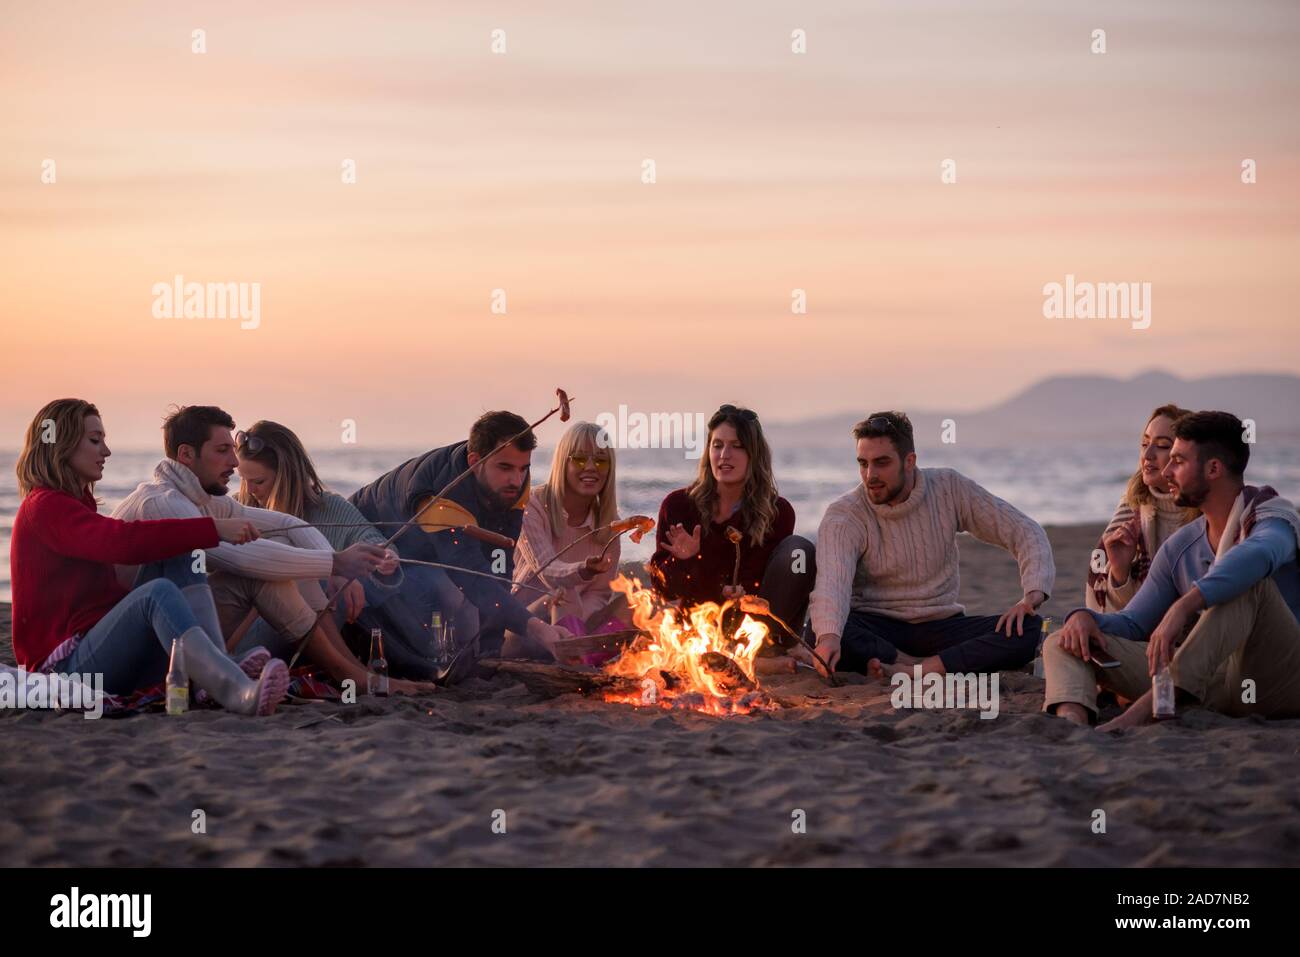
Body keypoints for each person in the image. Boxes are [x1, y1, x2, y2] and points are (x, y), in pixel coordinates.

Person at [10, 398, 290, 715]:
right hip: (66, 670)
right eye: (94, 440)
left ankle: (217, 667)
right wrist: (212, 528)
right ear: (60, 444)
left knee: (179, 553)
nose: (106, 451)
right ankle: (235, 690)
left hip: (99, 653)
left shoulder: (74, 504)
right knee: (156, 594)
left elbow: (129, 554)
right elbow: (120, 543)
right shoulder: (44, 507)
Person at [112, 405, 400, 694]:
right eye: (223, 450)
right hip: (145, 655)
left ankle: (353, 672)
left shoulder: (202, 500)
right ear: (187, 455)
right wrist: (335, 563)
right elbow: (245, 560)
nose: (235, 462)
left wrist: (337, 564)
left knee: (282, 551)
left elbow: (288, 523)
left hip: (179, 638)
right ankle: (353, 674)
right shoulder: (162, 503)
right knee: (268, 568)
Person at [1043, 411, 1300, 729]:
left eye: (1177, 460)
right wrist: (1085, 619)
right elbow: (1133, 623)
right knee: (1063, 639)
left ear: (1213, 468)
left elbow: (1259, 554)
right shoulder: (1181, 546)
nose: (1166, 470)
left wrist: (1186, 603)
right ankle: (1073, 723)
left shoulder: (1273, 516)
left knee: (1249, 587)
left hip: (1278, 680)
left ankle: (1133, 717)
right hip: (1210, 685)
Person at [808, 411, 1055, 679]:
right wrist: (829, 636)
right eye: (863, 463)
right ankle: (919, 664)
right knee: (819, 629)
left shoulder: (948, 488)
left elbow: (1025, 531)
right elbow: (833, 584)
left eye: (881, 463)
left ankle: (922, 668)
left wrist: (1031, 596)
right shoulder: (845, 514)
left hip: (941, 627)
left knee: (1030, 629)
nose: (870, 475)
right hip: (876, 627)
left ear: (909, 461)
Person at [349, 411, 574, 673]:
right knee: (445, 594)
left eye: (523, 468)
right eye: (505, 467)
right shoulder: (440, 496)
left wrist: (492, 651)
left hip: (423, 553)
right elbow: (471, 576)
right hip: (369, 555)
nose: (516, 479)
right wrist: (537, 629)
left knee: (470, 622)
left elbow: (499, 567)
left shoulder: (513, 485)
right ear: (475, 462)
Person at [233, 420, 431, 693]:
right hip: (255, 635)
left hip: (312, 635)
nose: (250, 490)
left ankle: (365, 670)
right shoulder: (241, 514)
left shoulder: (327, 507)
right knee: (307, 577)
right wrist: (332, 569)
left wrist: (384, 559)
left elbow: (372, 541)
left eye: (259, 481)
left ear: (287, 477)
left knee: (334, 583)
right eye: (243, 479)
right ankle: (357, 675)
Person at [648, 404, 815, 639]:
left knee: (801, 551)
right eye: (717, 445)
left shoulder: (777, 511)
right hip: (699, 623)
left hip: (756, 624)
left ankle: (772, 647)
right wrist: (685, 561)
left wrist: (741, 592)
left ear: (754, 455)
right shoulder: (679, 506)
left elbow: (765, 578)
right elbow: (662, 588)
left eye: (737, 446)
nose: (725, 454)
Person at [512, 421, 625, 629]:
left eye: (600, 461)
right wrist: (583, 570)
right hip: (522, 625)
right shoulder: (533, 504)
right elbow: (547, 570)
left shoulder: (609, 522)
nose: (590, 467)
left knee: (634, 604)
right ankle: (577, 653)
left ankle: (578, 645)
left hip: (573, 621)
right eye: (580, 459)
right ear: (563, 462)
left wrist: (580, 619)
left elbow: (598, 593)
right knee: (565, 592)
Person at [1085, 404, 1197, 612]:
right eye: (1145, 443)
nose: (1148, 454)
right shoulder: (1132, 508)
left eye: (1163, 446)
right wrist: (1120, 572)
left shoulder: (1207, 513)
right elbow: (1117, 610)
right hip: (1141, 633)